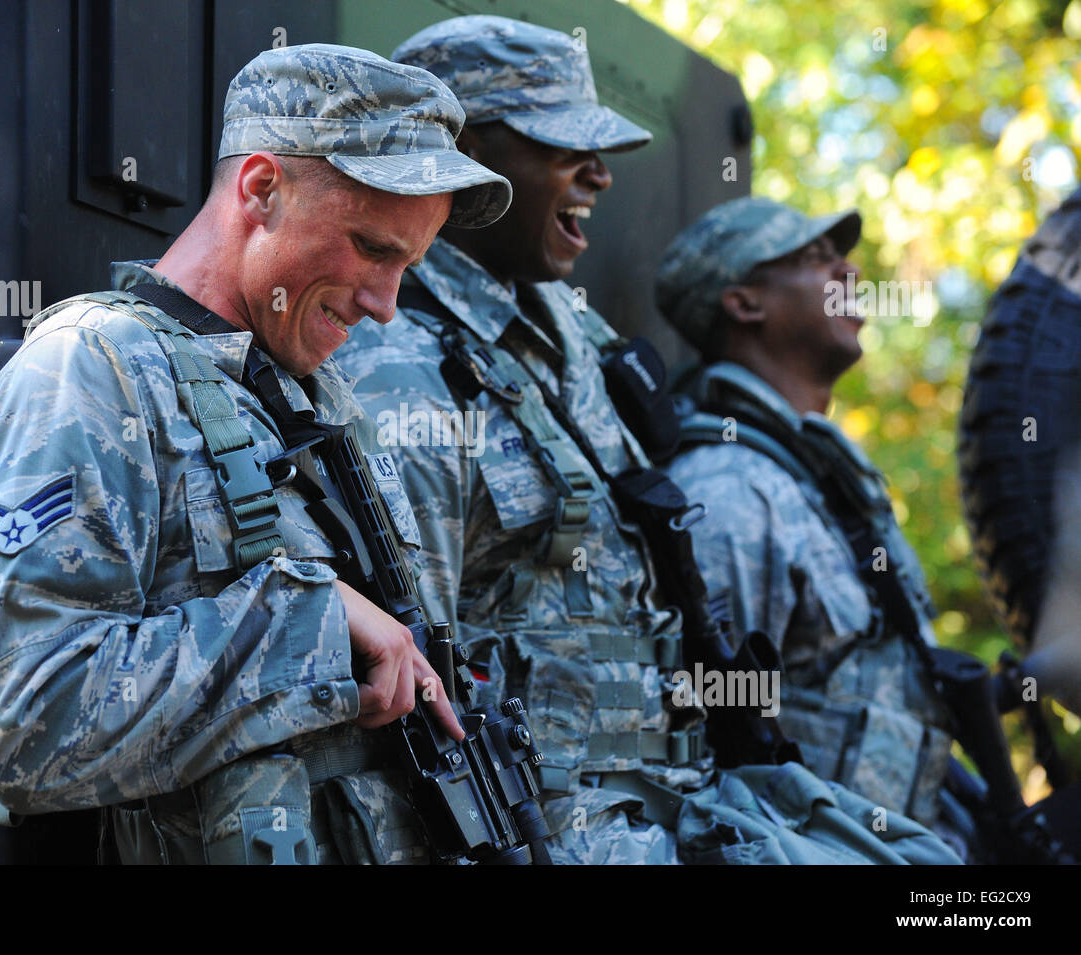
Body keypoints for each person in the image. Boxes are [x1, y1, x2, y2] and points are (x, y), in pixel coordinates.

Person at [341, 16, 960, 864]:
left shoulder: (573, 338)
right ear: (466, 150)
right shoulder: (389, 356)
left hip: (681, 795)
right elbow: (410, 675)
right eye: (564, 146)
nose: (599, 173)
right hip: (551, 820)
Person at [0, 43, 513, 865]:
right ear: (260, 188)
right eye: (372, 248)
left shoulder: (320, 404)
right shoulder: (91, 371)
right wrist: (309, 626)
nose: (388, 306)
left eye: (410, 266)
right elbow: (22, 723)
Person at [657, 197, 959, 845]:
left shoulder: (816, 481)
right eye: (816, 260)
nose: (849, 273)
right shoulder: (730, 489)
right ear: (744, 303)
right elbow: (713, 747)